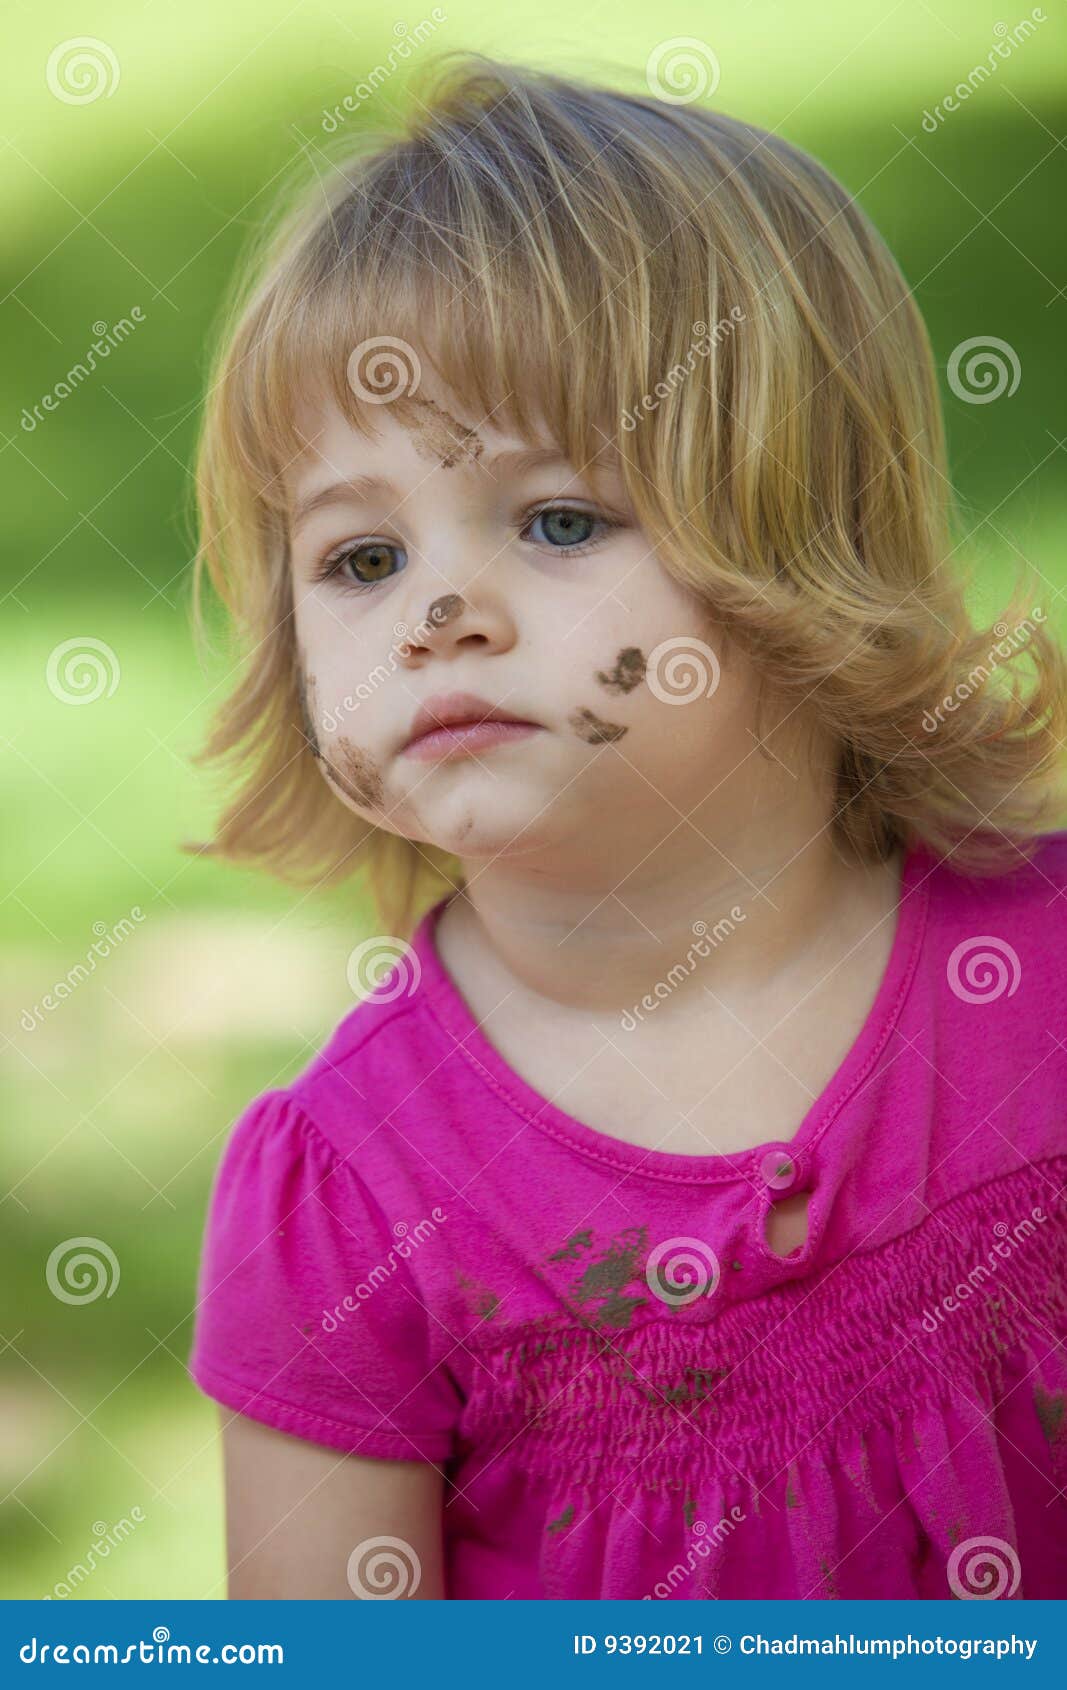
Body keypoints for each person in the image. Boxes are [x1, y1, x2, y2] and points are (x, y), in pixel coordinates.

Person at [185, 55, 1067, 1599]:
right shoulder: (348, 1202)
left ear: (799, 524)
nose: (443, 613)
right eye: (363, 555)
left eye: (559, 519)